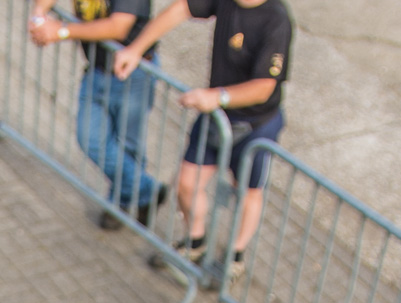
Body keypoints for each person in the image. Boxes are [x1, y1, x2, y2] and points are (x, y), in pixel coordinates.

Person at [112, 0, 292, 279]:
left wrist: (218, 96)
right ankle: (195, 241)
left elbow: (264, 87)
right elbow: (181, 9)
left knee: (248, 191)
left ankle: (235, 256)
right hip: (216, 115)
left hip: (255, 125)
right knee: (187, 183)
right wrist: (136, 48)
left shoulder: (276, 20)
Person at [29, 0, 167, 229]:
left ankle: (121, 202)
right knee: (90, 139)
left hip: (133, 74)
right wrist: (38, 14)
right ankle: (146, 191)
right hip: (97, 69)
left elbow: (119, 26)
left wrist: (62, 30)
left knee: (128, 144)